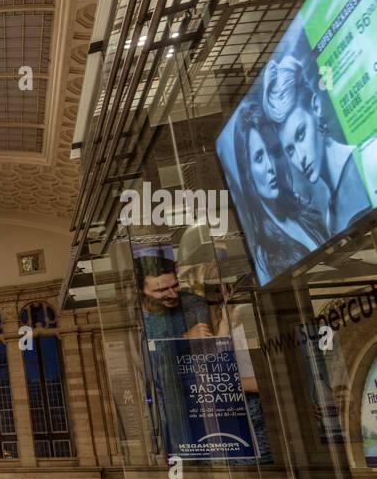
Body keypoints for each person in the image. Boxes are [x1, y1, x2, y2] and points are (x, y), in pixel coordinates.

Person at [263, 54, 370, 238]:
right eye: (290, 149)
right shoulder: (330, 214)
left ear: (316, 107)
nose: (300, 157)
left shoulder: (369, 160)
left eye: (301, 134)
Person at [229, 102, 329, 285]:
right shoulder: (264, 255)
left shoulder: (306, 212)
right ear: (247, 172)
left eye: (273, 151)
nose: (271, 166)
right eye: (259, 157)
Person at [135, 255, 226, 341]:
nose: (174, 295)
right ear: (141, 292)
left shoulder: (193, 304)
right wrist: (185, 337)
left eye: (175, 285)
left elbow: (210, 347)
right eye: (162, 290)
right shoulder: (136, 318)